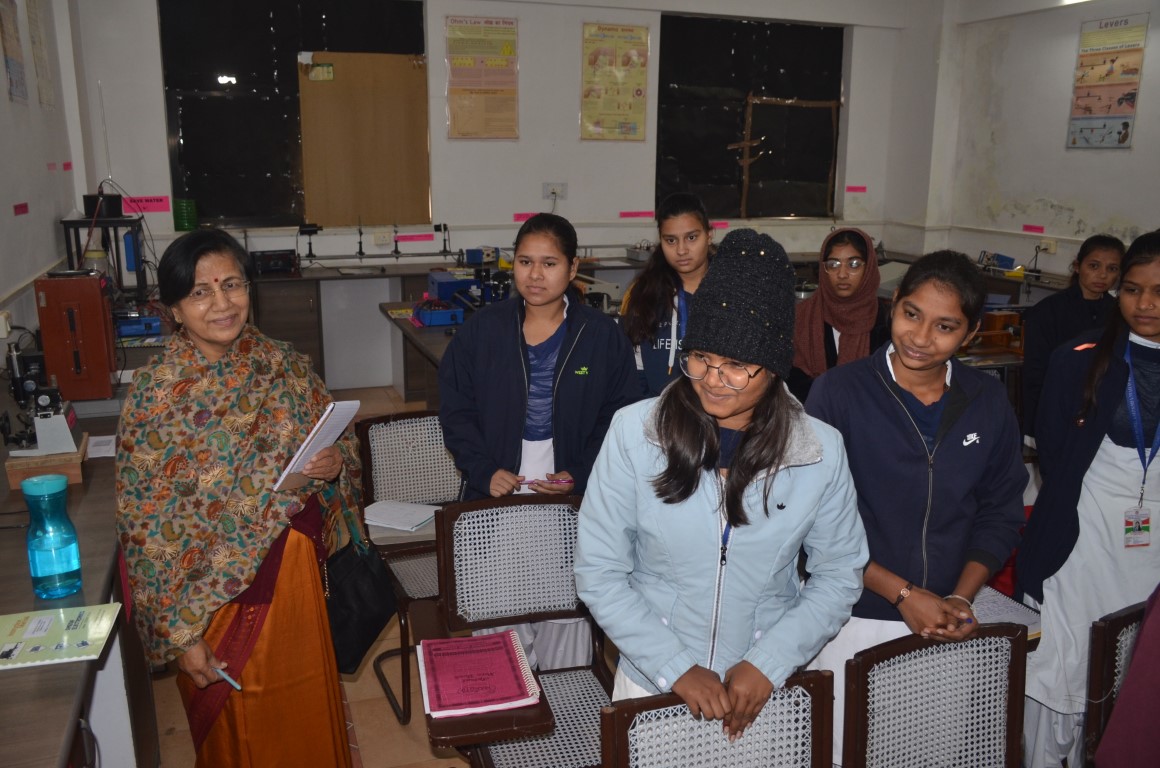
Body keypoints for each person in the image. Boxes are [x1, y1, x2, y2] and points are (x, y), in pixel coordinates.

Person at [575, 228, 868, 741]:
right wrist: (674, 667)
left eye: (737, 366)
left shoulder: (818, 451)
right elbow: (600, 572)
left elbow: (839, 574)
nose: (713, 379)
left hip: (761, 689)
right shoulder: (634, 433)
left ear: (775, 368)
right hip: (653, 681)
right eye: (702, 358)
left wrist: (769, 662)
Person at [116, 228, 360, 766]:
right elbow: (145, 530)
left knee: (306, 719)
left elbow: (341, 441)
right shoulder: (157, 395)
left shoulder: (284, 364)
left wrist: (337, 463)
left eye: (232, 284)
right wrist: (183, 636)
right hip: (214, 606)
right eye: (201, 292)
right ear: (175, 310)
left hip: (295, 580)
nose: (222, 303)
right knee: (245, 736)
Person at [806, 250, 1028, 762]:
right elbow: (814, 521)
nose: (921, 337)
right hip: (852, 614)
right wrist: (903, 593)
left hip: (949, 620)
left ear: (969, 335)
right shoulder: (839, 392)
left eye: (945, 326)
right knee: (847, 749)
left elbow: (1000, 509)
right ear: (894, 308)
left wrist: (960, 599)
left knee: (929, 750)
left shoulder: (986, 401)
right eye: (912, 315)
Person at [439, 212, 642, 668]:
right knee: (497, 610)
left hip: (569, 498)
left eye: (549, 263)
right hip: (496, 494)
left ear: (573, 270)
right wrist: (483, 470)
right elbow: (456, 410)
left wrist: (582, 474)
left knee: (566, 611)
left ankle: (562, 709)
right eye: (525, 261)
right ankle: (506, 714)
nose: (535, 275)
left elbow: (619, 417)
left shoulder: (601, 336)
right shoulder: (482, 331)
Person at [1017, 231, 1160, 768]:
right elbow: (1055, 456)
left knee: (1138, 671)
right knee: (1071, 668)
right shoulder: (1076, 359)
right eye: (1132, 289)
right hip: (1085, 537)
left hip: (1151, 545)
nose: (1145, 305)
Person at [1021, 234, 1124, 437]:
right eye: (1094, 266)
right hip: (1054, 412)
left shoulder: (1118, 313)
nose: (1102, 275)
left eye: (1112, 269)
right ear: (1078, 266)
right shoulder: (1048, 312)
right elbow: (1034, 375)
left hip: (1101, 414)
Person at [620, 192, 714, 395]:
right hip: (657, 414)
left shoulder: (731, 292)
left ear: (709, 235)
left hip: (717, 415)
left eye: (691, 237)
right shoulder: (643, 293)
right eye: (671, 240)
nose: (681, 250)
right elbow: (635, 369)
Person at [788, 228, 890, 403]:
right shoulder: (802, 317)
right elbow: (789, 377)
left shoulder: (886, 320)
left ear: (869, 267)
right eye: (833, 265)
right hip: (810, 417)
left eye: (854, 264)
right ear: (823, 268)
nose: (842, 274)